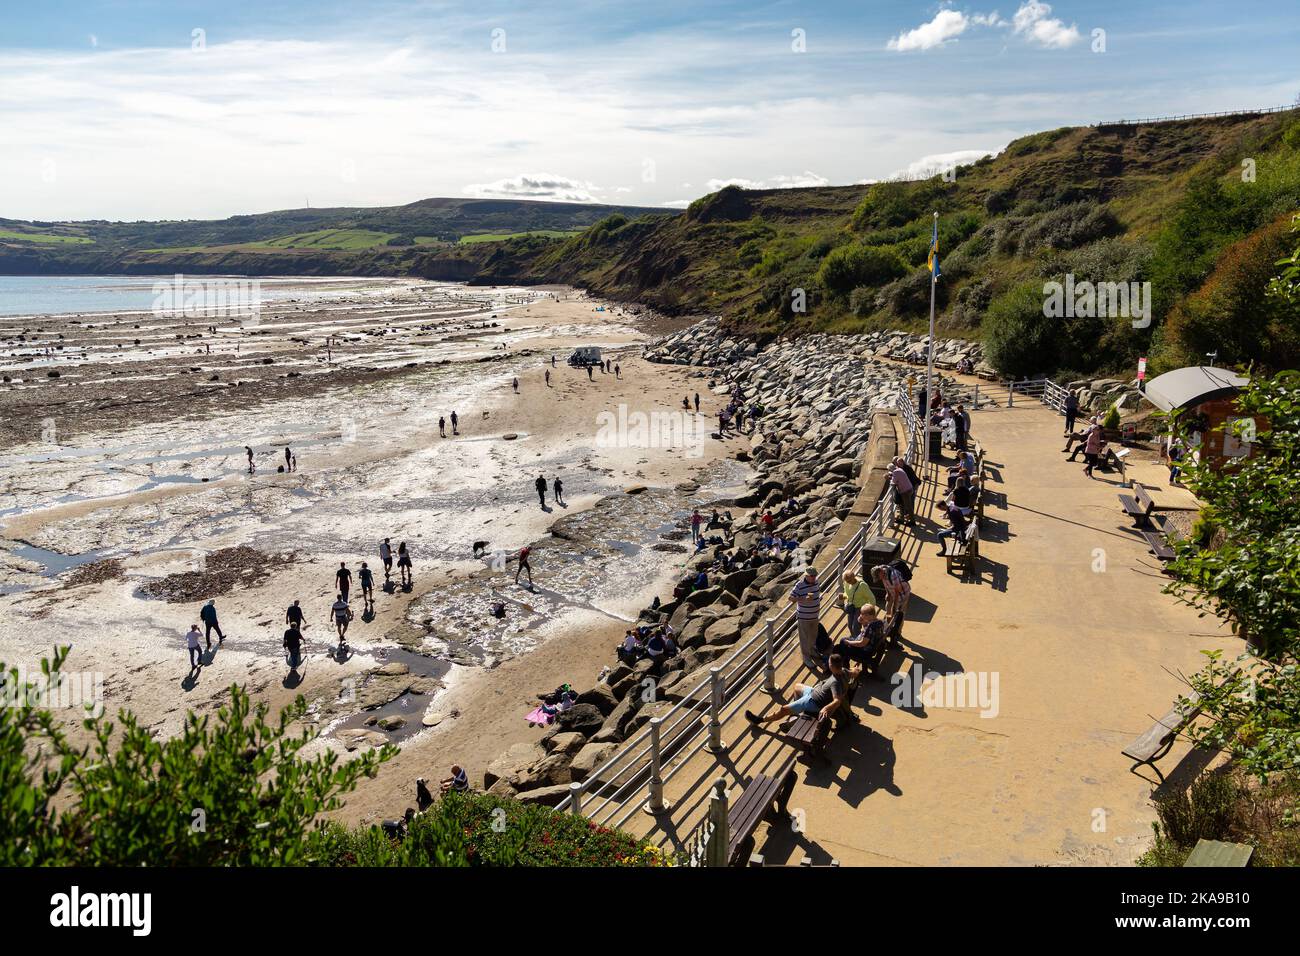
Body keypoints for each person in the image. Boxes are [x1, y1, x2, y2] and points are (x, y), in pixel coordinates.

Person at [745, 654, 849, 727]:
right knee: (797, 687)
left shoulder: (835, 682)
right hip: (815, 692)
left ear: (831, 666)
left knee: (783, 709)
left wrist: (826, 708)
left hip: (813, 702)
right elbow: (854, 672)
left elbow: (837, 700)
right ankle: (795, 714)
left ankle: (759, 720)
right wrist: (856, 669)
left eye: (829, 662)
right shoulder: (844, 671)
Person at [789, 568, 822, 671]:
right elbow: (790, 598)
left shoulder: (816, 582)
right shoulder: (799, 585)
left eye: (814, 575)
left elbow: (817, 593)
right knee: (804, 638)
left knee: (813, 635)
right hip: (804, 616)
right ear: (806, 576)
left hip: (814, 615)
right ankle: (806, 657)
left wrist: (818, 598)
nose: (813, 577)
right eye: (811, 576)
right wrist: (803, 599)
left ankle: (812, 650)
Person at [841, 570, 873, 639]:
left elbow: (872, 598)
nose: (848, 583)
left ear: (854, 577)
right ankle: (856, 638)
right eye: (846, 581)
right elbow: (848, 594)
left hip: (860, 608)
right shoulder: (847, 583)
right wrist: (843, 596)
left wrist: (870, 612)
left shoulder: (862, 585)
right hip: (851, 607)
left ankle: (858, 641)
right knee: (849, 625)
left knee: (855, 627)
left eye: (849, 581)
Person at [889, 461, 915, 526]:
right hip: (908, 489)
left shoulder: (895, 472)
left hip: (905, 491)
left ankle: (912, 521)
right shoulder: (899, 469)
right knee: (902, 505)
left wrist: (890, 478)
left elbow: (893, 482)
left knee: (908, 506)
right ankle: (902, 519)